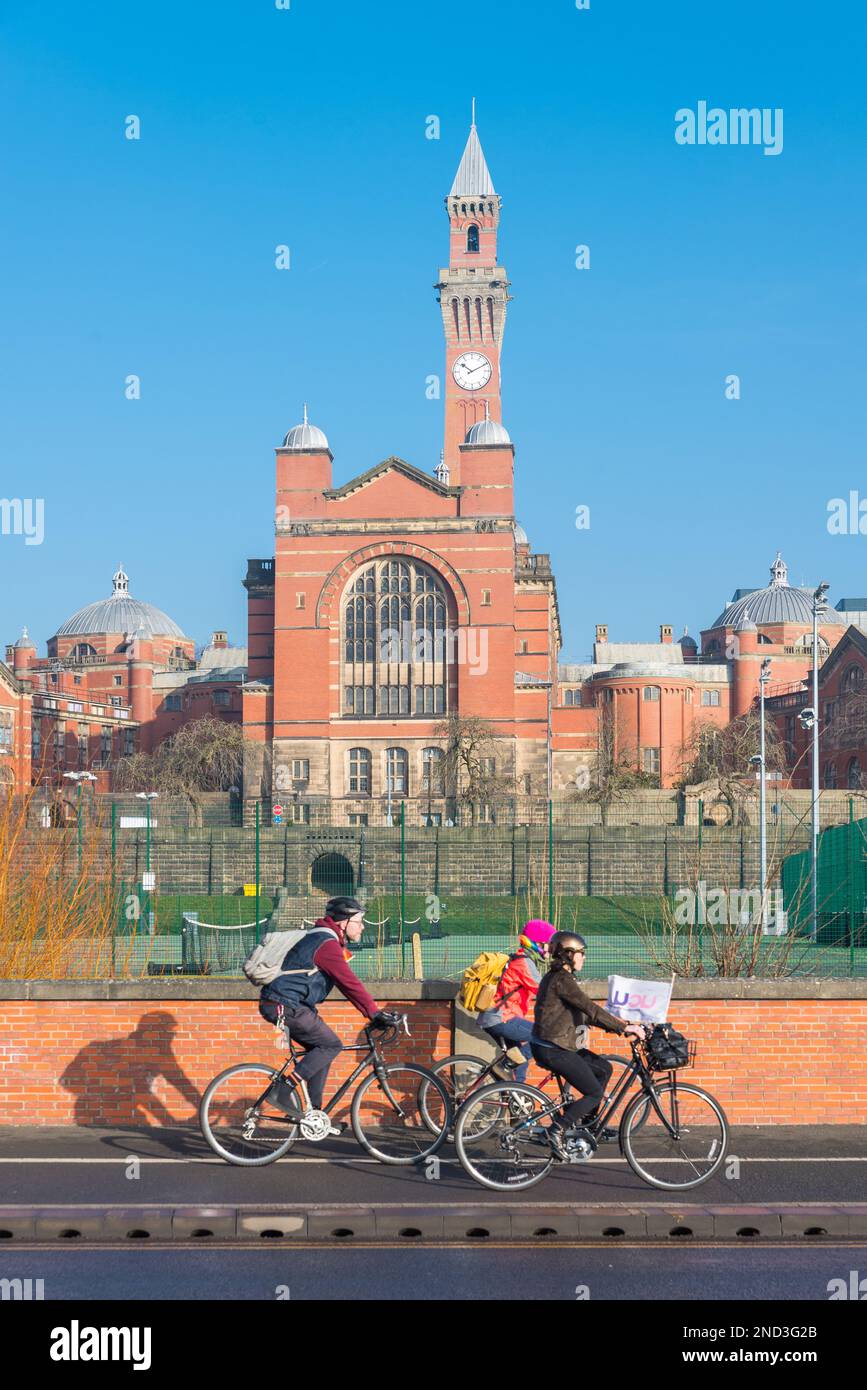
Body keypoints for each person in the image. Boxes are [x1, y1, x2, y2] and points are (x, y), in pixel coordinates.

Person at [258, 896, 397, 1122]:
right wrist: (374, 1012)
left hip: (290, 1003)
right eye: (359, 921)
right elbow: (349, 983)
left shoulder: (326, 939)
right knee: (331, 1044)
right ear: (344, 922)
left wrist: (371, 1011)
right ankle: (283, 1089)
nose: (362, 926)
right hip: (284, 1004)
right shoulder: (326, 944)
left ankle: (313, 1115)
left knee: (321, 1051)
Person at [530, 931, 645, 1160]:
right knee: (594, 1093)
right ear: (568, 954)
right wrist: (624, 1028)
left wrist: (622, 1026)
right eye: (581, 953)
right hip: (553, 1048)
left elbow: (586, 1014)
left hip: (556, 1044)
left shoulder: (560, 979)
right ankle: (557, 1129)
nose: (584, 958)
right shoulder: (562, 980)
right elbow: (590, 1008)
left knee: (604, 1068)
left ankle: (587, 1127)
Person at [476, 920, 556, 1082]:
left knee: (520, 1062)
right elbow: (545, 991)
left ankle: (514, 1096)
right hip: (501, 1018)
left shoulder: (521, 959)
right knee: (546, 1035)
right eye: (549, 944)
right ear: (537, 943)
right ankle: (504, 1064)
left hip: (495, 1017)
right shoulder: (523, 962)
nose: (551, 949)